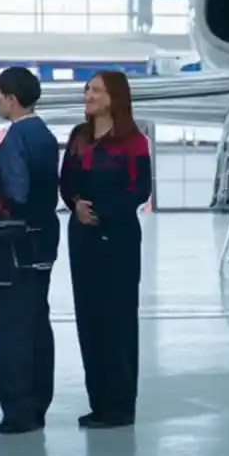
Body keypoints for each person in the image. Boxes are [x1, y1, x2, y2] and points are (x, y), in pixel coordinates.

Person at [59, 70, 151, 429]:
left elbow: (139, 189)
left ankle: (120, 406)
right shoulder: (78, 137)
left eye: (96, 90)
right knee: (89, 318)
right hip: (81, 234)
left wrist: (101, 212)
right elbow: (65, 181)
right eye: (87, 89)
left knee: (118, 320)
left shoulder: (133, 140)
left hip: (118, 236)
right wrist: (75, 205)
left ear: (114, 96)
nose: (89, 95)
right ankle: (98, 402)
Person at [0, 66, 60, 434]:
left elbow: (16, 192)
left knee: (11, 327)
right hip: (44, 241)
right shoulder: (44, 135)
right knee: (36, 324)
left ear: (12, 98)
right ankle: (38, 403)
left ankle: (17, 409)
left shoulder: (16, 138)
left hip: (15, 245)